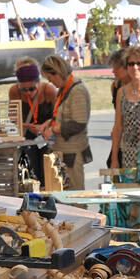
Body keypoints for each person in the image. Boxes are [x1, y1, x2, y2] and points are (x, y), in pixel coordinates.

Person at [38, 54, 91, 189]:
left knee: (75, 196)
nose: (50, 82)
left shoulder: (77, 91)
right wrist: (50, 122)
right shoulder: (64, 89)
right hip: (63, 152)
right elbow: (64, 115)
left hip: (72, 153)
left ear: (57, 73)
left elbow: (78, 123)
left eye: (50, 78)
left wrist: (54, 129)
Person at [110, 47, 140, 172]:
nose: (135, 67)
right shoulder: (121, 92)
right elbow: (118, 126)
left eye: (139, 63)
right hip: (128, 153)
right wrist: (114, 158)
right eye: (131, 64)